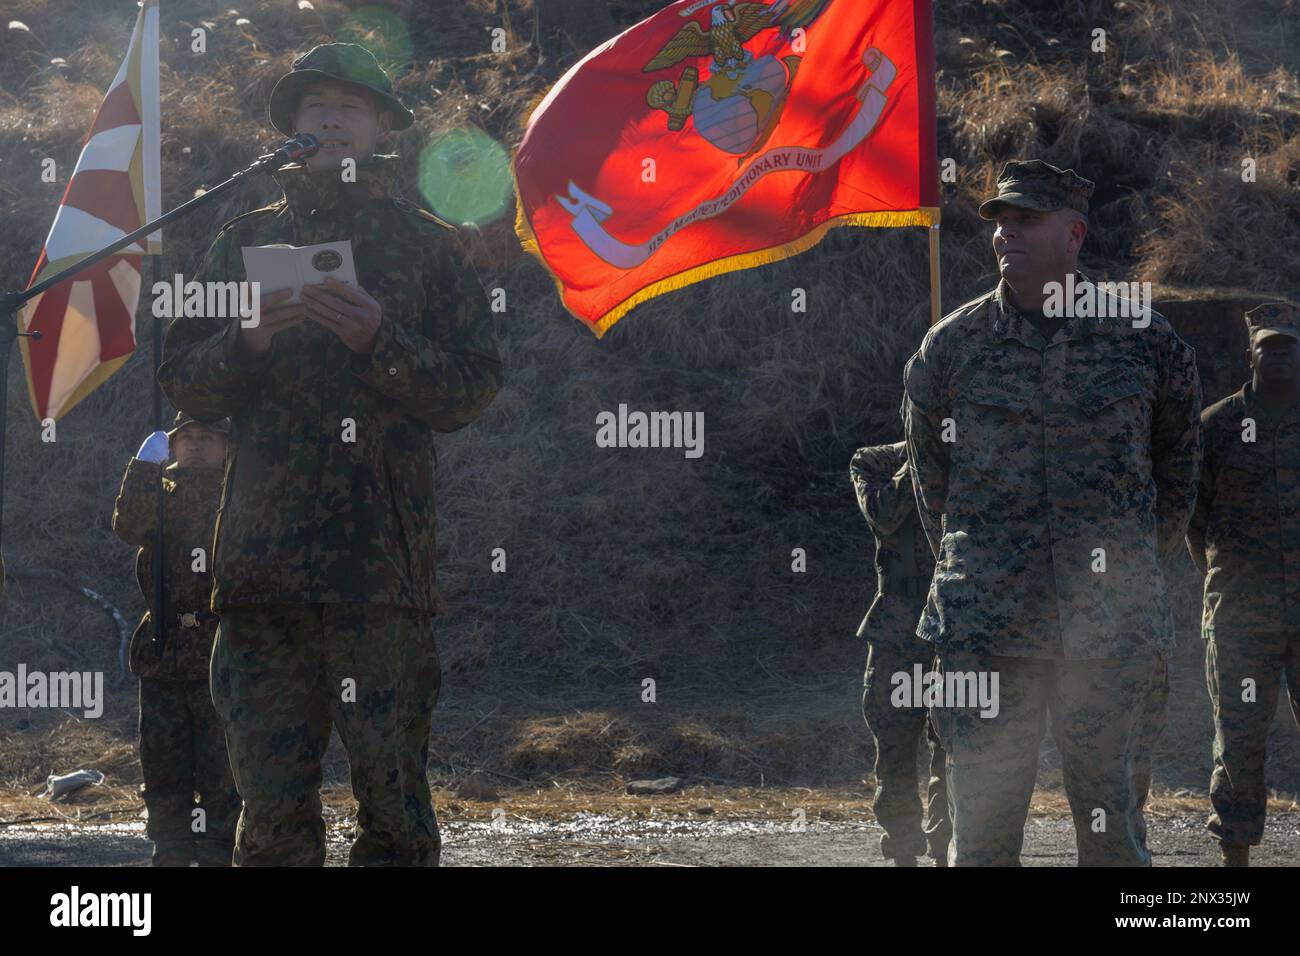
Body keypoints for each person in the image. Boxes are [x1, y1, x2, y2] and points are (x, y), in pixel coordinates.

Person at [157, 42, 504, 866]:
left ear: (383, 127)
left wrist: (380, 340)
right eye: (315, 106)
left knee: (393, 804)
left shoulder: (430, 245)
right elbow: (184, 381)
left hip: (377, 571)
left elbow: (473, 386)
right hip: (258, 572)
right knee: (269, 813)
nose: (332, 118)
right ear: (292, 128)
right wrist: (246, 342)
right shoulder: (239, 241)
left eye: (351, 105)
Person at [902, 159, 1202, 866]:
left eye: (1026, 218)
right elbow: (931, 487)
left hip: (1110, 638)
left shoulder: (1146, 341)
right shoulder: (951, 347)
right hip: (986, 630)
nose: (1007, 231)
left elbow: (1179, 473)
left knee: (1113, 838)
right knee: (980, 838)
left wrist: (1128, 575)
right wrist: (981, 575)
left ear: (1074, 234)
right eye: (1000, 219)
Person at [1186, 300, 1300, 867]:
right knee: (1238, 740)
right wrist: (1227, 580)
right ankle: (1235, 866)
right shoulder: (1217, 427)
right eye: (1268, 346)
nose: (1278, 355)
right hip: (1240, 618)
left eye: (1288, 346)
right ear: (1249, 352)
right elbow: (1193, 519)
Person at [112, 412, 239, 866]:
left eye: (207, 437)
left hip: (220, 653)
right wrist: (144, 468)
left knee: (222, 774)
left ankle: (215, 854)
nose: (196, 445)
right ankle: (169, 854)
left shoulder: (237, 495)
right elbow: (128, 526)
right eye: (186, 436)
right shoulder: (160, 496)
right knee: (164, 771)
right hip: (164, 653)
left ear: (227, 446)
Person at [850, 441, 950, 866]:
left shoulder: (972, 453)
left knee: (953, 748)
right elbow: (884, 515)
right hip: (897, 630)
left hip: (953, 624)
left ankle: (946, 848)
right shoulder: (874, 462)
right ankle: (902, 854)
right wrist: (921, 454)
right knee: (893, 748)